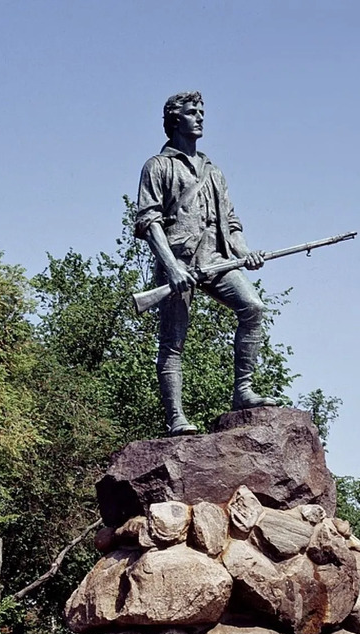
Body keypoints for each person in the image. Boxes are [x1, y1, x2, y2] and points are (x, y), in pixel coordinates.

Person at [135, 91, 278, 436]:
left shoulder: (213, 170)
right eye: (191, 112)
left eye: (201, 112)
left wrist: (245, 253)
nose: (200, 117)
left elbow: (231, 221)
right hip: (180, 263)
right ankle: (176, 418)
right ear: (174, 120)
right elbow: (148, 222)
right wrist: (171, 267)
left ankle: (242, 391)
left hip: (216, 260)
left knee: (253, 308)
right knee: (173, 342)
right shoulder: (158, 166)